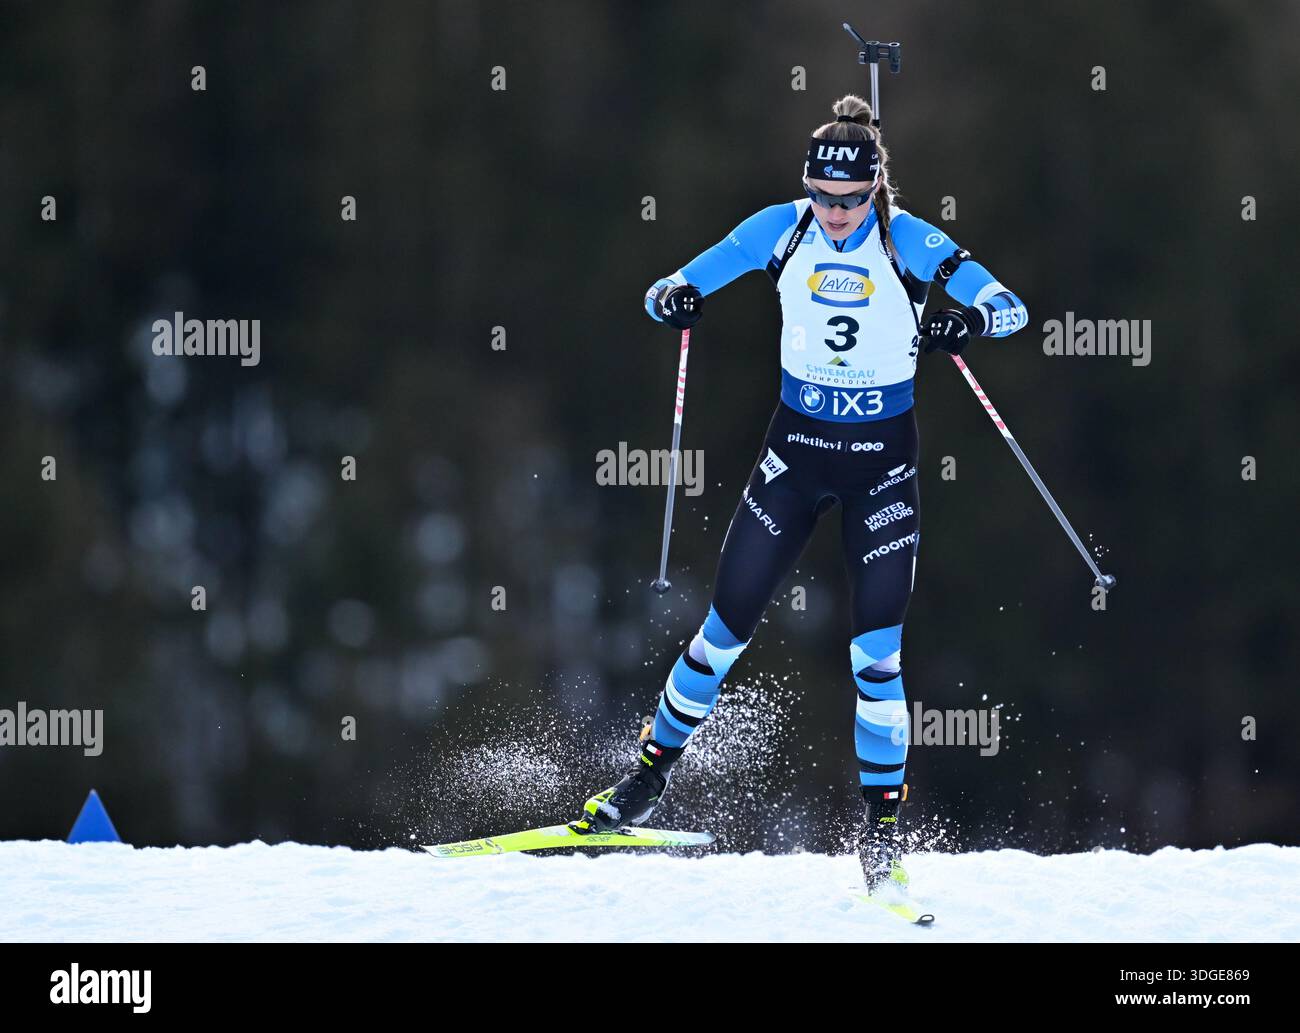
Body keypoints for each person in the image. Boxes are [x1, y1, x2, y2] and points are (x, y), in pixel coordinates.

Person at [574, 93, 1028, 890]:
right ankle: (645, 779)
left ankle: (882, 831)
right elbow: (669, 285)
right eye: (823, 196)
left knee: (876, 657)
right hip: (794, 456)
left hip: (881, 466)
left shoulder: (906, 238)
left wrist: (971, 323)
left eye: (851, 200)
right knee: (722, 631)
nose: (835, 214)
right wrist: (675, 299)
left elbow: (1011, 306)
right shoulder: (778, 229)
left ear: (876, 190)